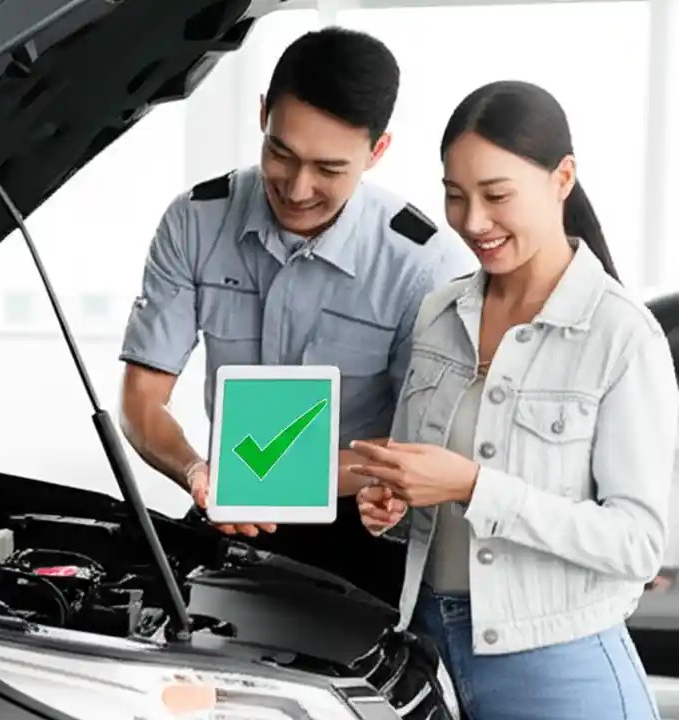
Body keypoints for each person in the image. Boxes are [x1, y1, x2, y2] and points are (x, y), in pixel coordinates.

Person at [352, 79, 676, 719]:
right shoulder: (439, 311)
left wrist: (475, 486)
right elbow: (423, 473)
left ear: (563, 178)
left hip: (557, 666)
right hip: (426, 649)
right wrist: (390, 500)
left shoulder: (619, 333)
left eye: (497, 195)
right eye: (454, 195)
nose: (473, 222)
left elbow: (637, 543)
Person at [117, 26, 474, 606]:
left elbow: (428, 441)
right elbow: (140, 400)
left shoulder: (424, 264)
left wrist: (274, 485)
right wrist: (194, 472)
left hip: (364, 526)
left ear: (377, 152)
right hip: (224, 503)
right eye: (280, 154)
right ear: (262, 115)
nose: (298, 187)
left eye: (329, 169)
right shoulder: (195, 222)